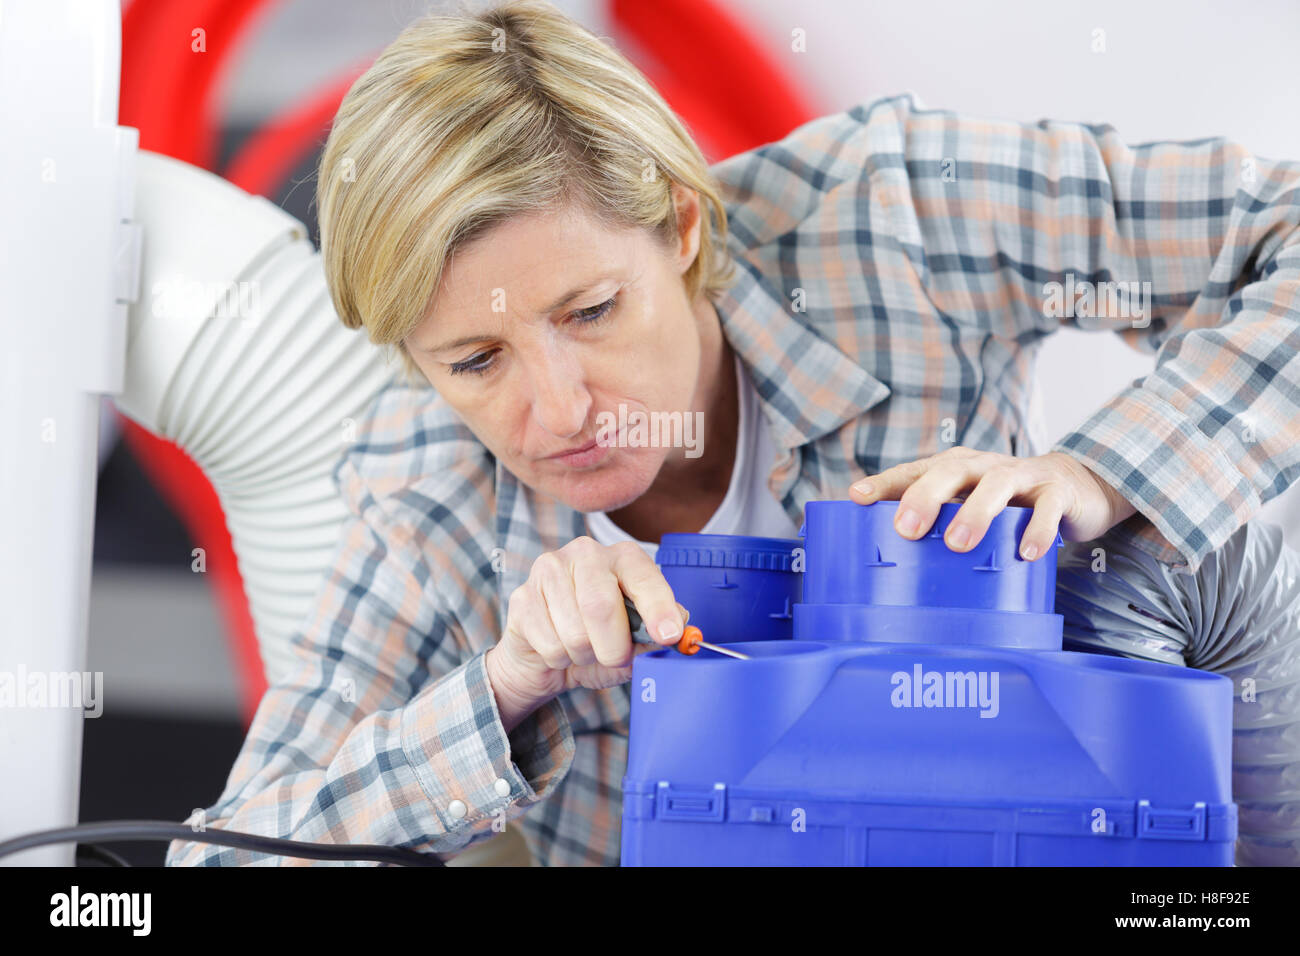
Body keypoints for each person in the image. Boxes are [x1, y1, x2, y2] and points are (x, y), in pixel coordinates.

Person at [167, 0, 1300, 866]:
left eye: (592, 311)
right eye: (476, 360)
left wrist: (1102, 475)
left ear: (681, 222)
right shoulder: (428, 489)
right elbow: (215, 860)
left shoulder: (890, 211)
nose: (559, 411)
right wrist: (505, 688)